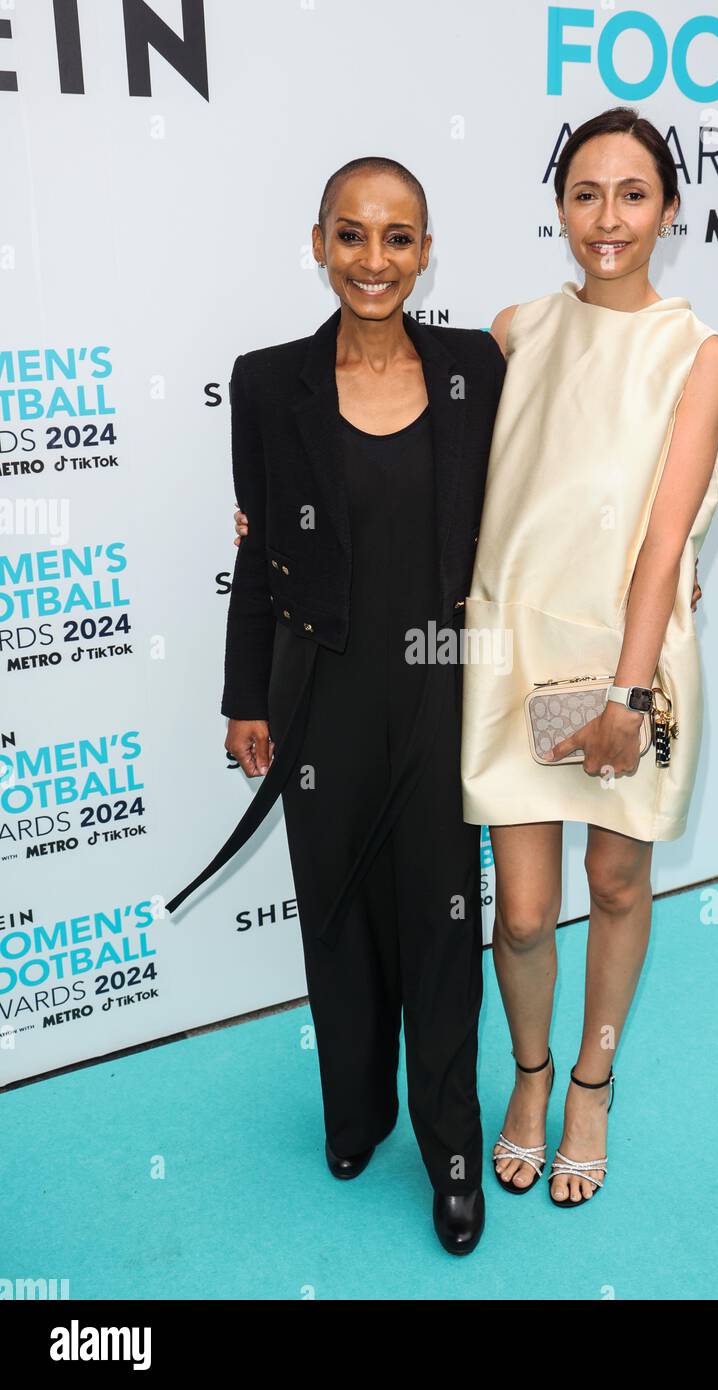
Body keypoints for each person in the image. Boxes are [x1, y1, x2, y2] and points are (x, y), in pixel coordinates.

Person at [165, 157, 506, 1255]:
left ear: (426, 250)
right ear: (317, 244)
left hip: (446, 689)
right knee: (340, 918)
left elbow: (554, 490)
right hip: (322, 696)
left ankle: (452, 1154)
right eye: (351, 235)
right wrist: (242, 693)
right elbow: (259, 552)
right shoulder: (268, 385)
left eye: (398, 237)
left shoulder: (472, 369)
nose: (374, 260)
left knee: (445, 930)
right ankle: (353, 1114)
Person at [460, 108, 718, 1207]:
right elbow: (417, 455)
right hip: (514, 647)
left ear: (669, 208)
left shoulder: (695, 351)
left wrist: (628, 692)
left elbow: (667, 538)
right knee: (520, 912)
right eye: (585, 194)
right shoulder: (514, 329)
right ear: (559, 207)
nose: (606, 218)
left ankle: (589, 1081)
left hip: (631, 657)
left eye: (631, 194)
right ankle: (526, 1075)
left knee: (615, 880)